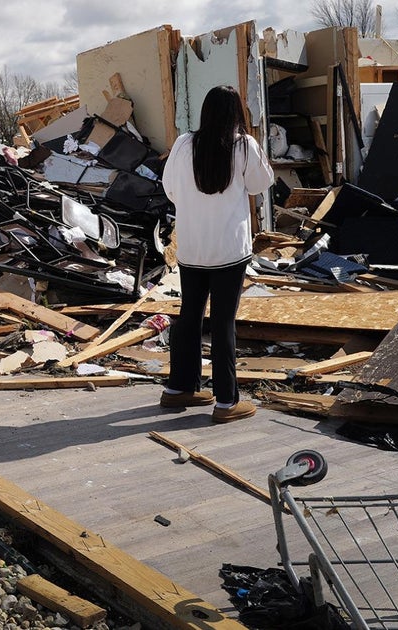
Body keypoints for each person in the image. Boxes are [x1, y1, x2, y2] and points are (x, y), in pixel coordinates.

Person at [159, 85, 273, 423]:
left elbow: (170, 190)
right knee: (223, 322)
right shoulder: (243, 145)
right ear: (236, 112)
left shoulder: (182, 144)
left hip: (192, 249)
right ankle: (226, 402)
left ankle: (180, 387)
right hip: (229, 251)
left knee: (189, 316)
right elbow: (261, 183)